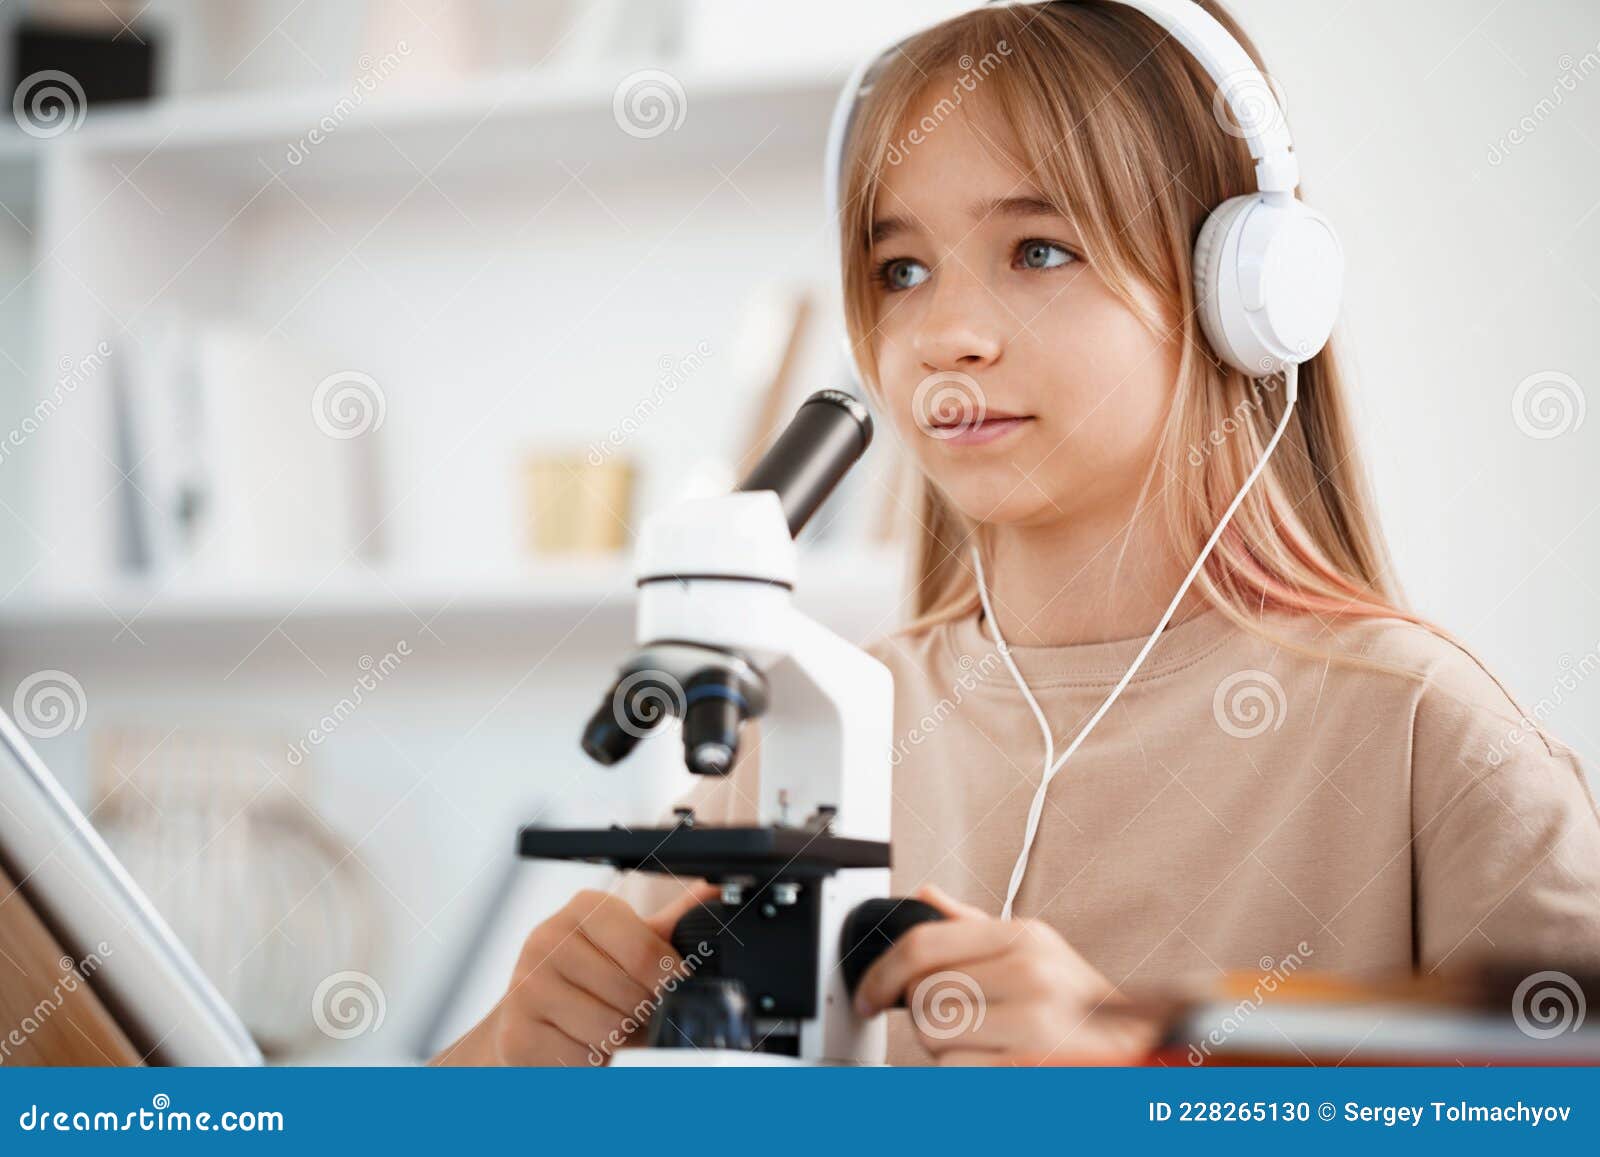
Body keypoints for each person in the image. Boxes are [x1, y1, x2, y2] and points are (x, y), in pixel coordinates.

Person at [435, 1, 1600, 1067]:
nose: (944, 334)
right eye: (900, 269)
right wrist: (509, 1056)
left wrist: (1149, 1070)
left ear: (1240, 292)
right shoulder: (800, 723)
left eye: (1038, 250)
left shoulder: (1421, 731)